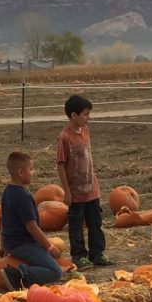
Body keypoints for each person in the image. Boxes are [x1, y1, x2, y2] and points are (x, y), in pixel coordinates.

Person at [56, 93, 113, 271]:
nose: (88, 118)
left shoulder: (85, 130)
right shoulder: (64, 138)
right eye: (85, 114)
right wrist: (67, 191)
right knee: (76, 225)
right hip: (75, 191)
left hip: (91, 188)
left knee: (95, 222)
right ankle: (79, 256)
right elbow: (60, 165)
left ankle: (97, 254)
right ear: (74, 115)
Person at [0, 150, 65, 291]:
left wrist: (3, 245)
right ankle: (19, 274)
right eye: (31, 169)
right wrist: (50, 248)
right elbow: (32, 228)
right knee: (56, 272)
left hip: (11, 243)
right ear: (21, 172)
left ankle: (26, 272)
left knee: (47, 260)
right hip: (23, 244)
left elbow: (4, 220)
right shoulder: (24, 197)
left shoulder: (7, 191)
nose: (33, 172)